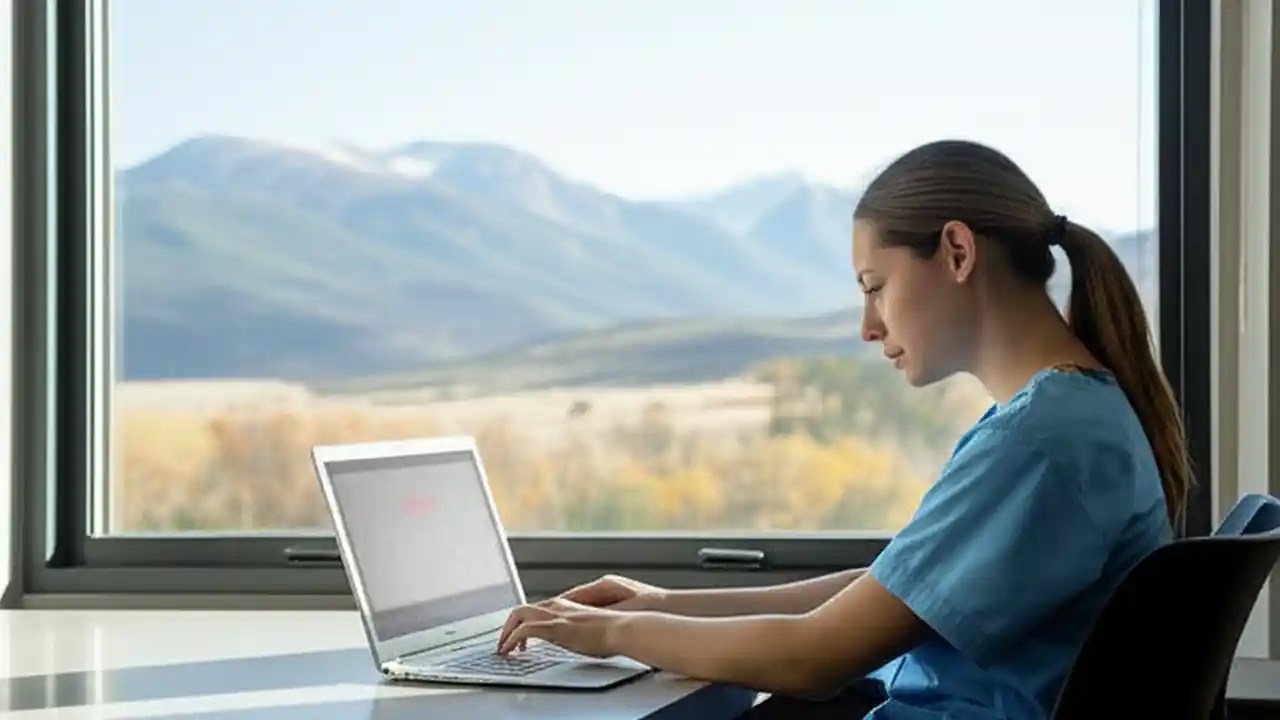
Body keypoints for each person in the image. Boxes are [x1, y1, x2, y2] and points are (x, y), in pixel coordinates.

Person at [496, 140, 1191, 719]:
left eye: (874, 286)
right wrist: (668, 603)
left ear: (957, 252)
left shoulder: (1042, 441)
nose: (868, 326)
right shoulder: (1067, 418)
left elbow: (813, 658)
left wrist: (614, 633)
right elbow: (893, 588)